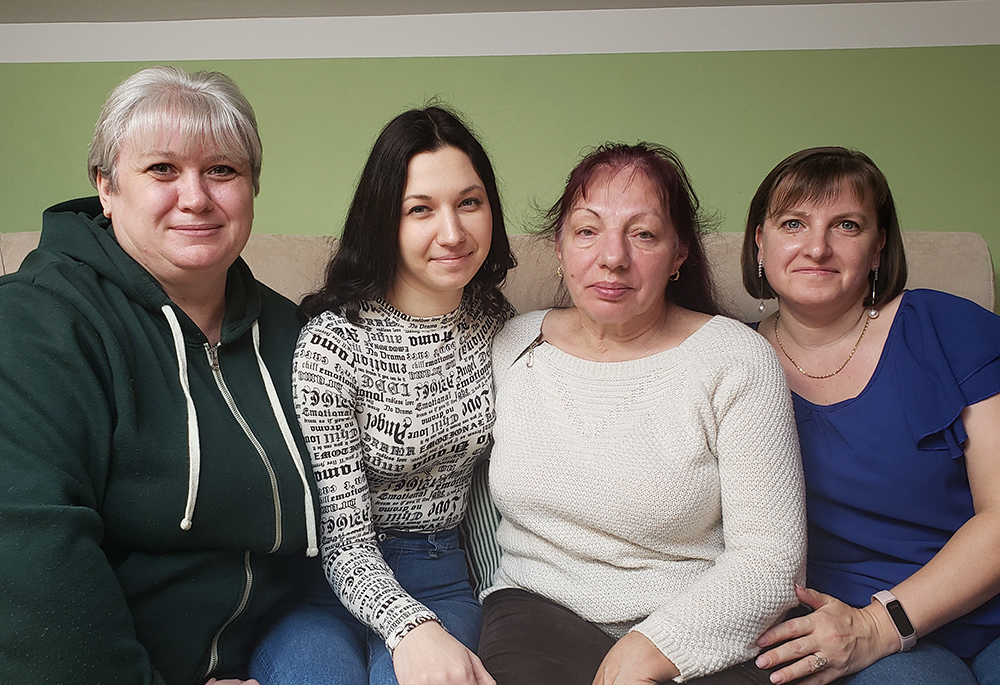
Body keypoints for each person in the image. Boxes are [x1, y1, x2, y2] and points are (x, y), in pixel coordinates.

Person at [0, 66, 319, 685]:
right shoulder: (34, 321)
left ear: (253, 186)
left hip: (278, 654)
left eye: (222, 170)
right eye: (162, 169)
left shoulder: (292, 333)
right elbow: (27, 554)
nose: (196, 197)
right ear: (106, 187)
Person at [478, 142, 807, 684]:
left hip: (703, 619)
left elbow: (772, 562)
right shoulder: (512, 344)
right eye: (587, 231)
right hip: (537, 614)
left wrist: (651, 649)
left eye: (644, 234)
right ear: (559, 247)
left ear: (679, 255)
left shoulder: (735, 358)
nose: (613, 257)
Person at [249, 106, 515, 685]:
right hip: (323, 582)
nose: (453, 232)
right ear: (382, 221)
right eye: (420, 209)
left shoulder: (499, 327)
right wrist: (408, 630)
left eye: (469, 202)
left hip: (439, 573)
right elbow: (342, 537)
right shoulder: (332, 344)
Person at [743, 146, 1000, 685]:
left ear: (879, 246)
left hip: (977, 604)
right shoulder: (728, 361)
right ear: (759, 244)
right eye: (793, 223)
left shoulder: (948, 326)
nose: (817, 247)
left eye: (846, 225)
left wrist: (882, 625)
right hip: (844, 627)